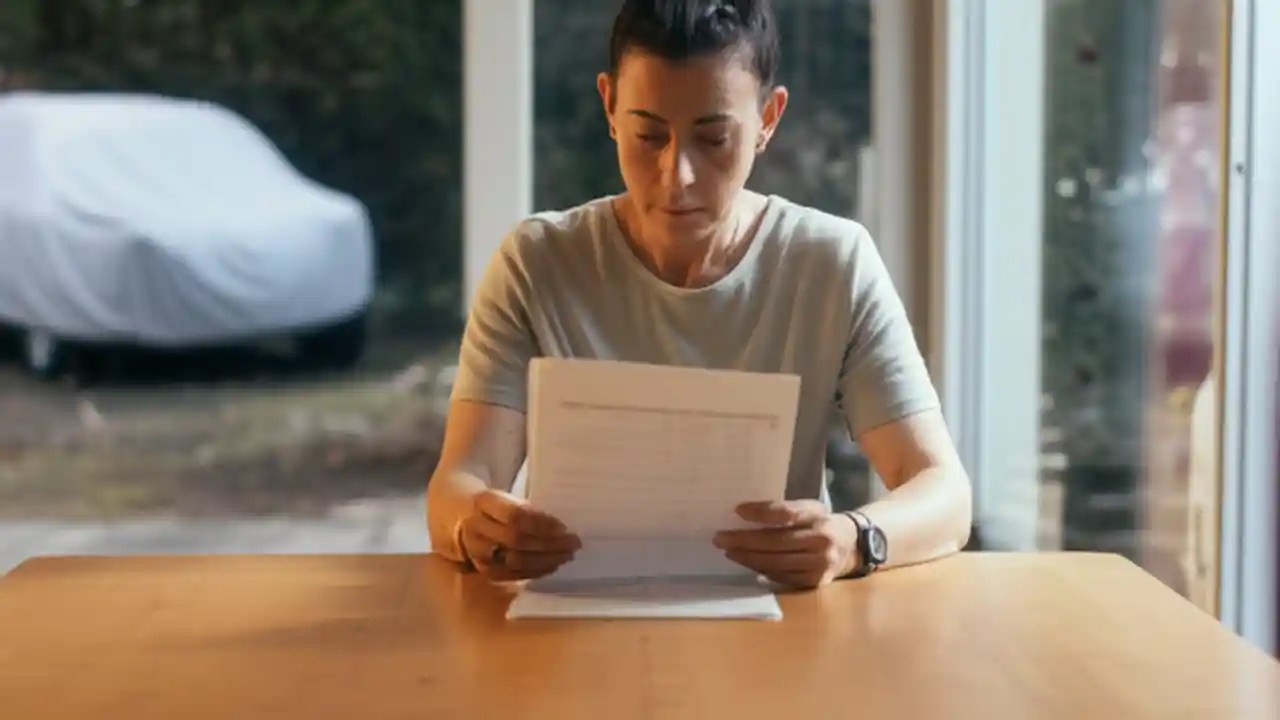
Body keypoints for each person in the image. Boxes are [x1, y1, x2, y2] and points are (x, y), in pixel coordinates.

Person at [428, 0, 972, 589]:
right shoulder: (537, 263)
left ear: (768, 118)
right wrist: (477, 527)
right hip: (571, 621)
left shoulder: (832, 264)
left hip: (777, 629)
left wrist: (852, 539)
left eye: (713, 139)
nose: (677, 175)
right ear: (609, 106)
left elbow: (944, 493)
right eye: (647, 134)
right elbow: (458, 484)